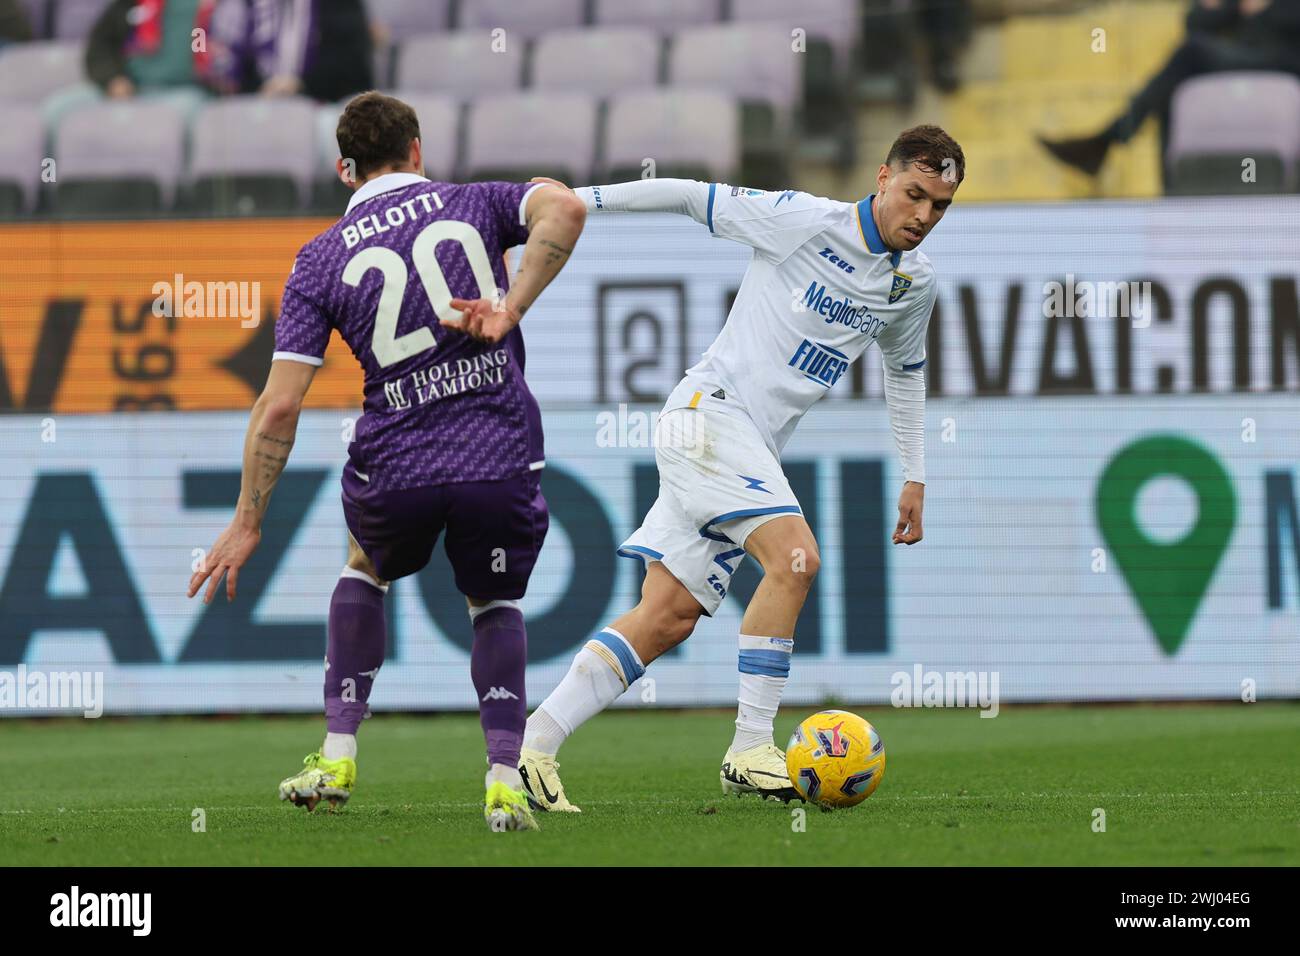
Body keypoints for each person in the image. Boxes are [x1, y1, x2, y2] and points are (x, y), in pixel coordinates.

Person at [518, 126, 962, 812]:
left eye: (940, 206)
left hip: (747, 444)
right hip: (708, 418)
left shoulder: (912, 283)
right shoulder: (802, 222)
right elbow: (687, 196)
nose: (924, 217)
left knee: (666, 615)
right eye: (915, 195)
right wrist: (571, 200)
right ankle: (751, 746)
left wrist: (916, 472)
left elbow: (904, 373)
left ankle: (534, 743)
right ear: (882, 177)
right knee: (796, 560)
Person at [186, 92, 587, 832]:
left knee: (364, 567)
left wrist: (247, 522)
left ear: (345, 170)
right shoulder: (474, 203)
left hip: (395, 461)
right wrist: (513, 307)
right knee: (493, 604)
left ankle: (337, 753)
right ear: (417, 150)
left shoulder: (319, 258)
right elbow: (563, 209)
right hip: (496, 449)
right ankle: (503, 778)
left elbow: (278, 407)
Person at [1039, 0, 1300, 176]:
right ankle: (1169, 187)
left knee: (1189, 54)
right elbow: (1194, 23)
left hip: (1282, 63)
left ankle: (1107, 140)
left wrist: (1266, 8)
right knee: (1173, 89)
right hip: (1243, 60)